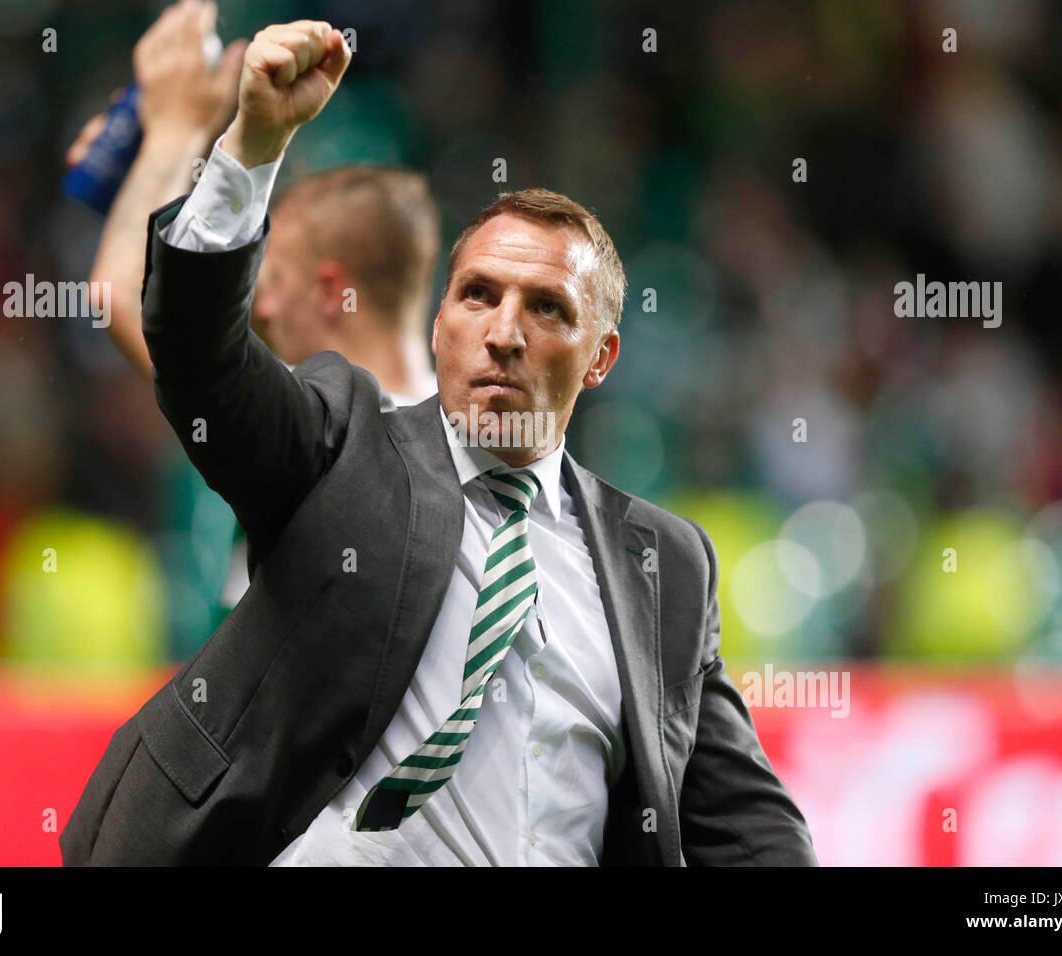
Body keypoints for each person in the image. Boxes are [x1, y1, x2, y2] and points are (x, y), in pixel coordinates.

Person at [61, 20, 817, 866]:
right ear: (436, 323)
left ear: (601, 355)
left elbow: (746, 827)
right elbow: (195, 352)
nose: (502, 333)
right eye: (477, 296)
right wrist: (252, 145)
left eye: (547, 308)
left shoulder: (666, 566)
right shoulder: (341, 445)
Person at [67, 1, 438, 629]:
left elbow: (129, 298)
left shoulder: (341, 446)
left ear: (330, 292)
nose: (255, 302)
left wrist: (176, 131)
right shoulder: (439, 440)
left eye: (270, 280)